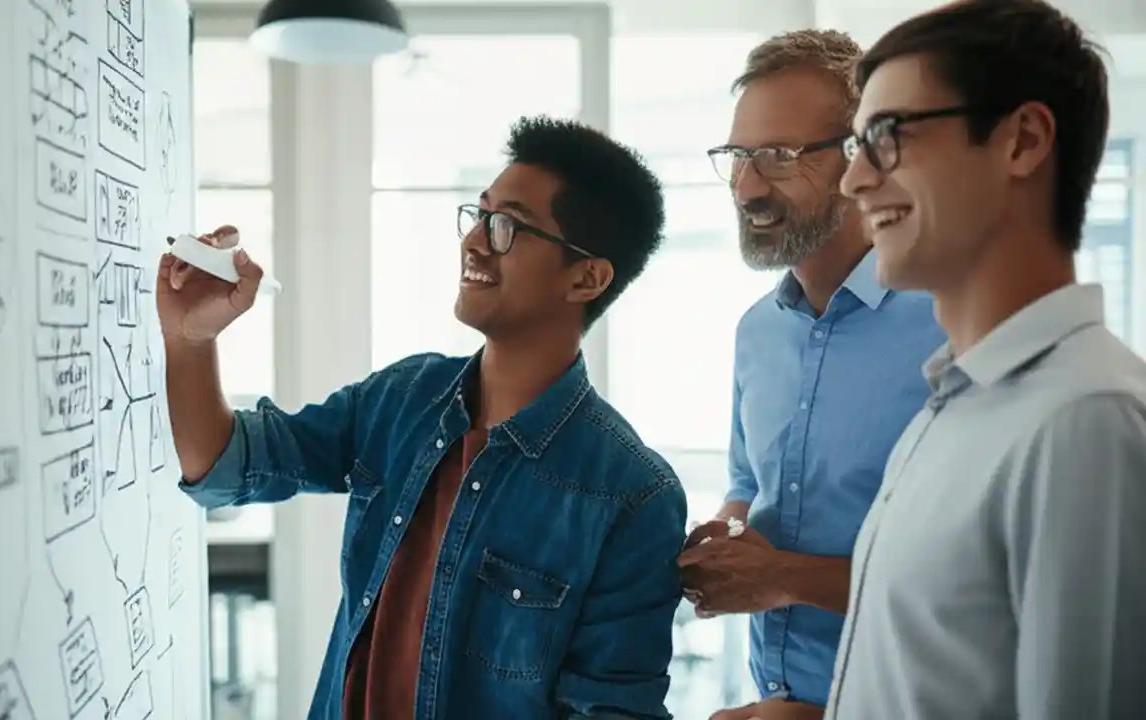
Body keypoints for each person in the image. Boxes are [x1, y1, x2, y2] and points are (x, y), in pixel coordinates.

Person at [160, 116, 687, 719]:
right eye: (480, 214)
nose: (474, 241)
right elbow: (226, 466)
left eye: (508, 225)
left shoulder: (632, 495)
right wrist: (190, 341)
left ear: (586, 277)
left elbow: (613, 710)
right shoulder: (403, 397)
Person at [829, 1, 1146, 717]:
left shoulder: (1085, 421)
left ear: (1023, 140)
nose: (853, 183)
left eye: (884, 135)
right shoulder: (953, 406)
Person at [676, 30, 945, 720]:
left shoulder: (949, 327)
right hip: (775, 702)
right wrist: (721, 547)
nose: (745, 186)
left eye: (778, 156)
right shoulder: (756, 333)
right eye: (737, 156)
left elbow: (976, 581)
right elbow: (748, 486)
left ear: (863, 158)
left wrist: (784, 581)